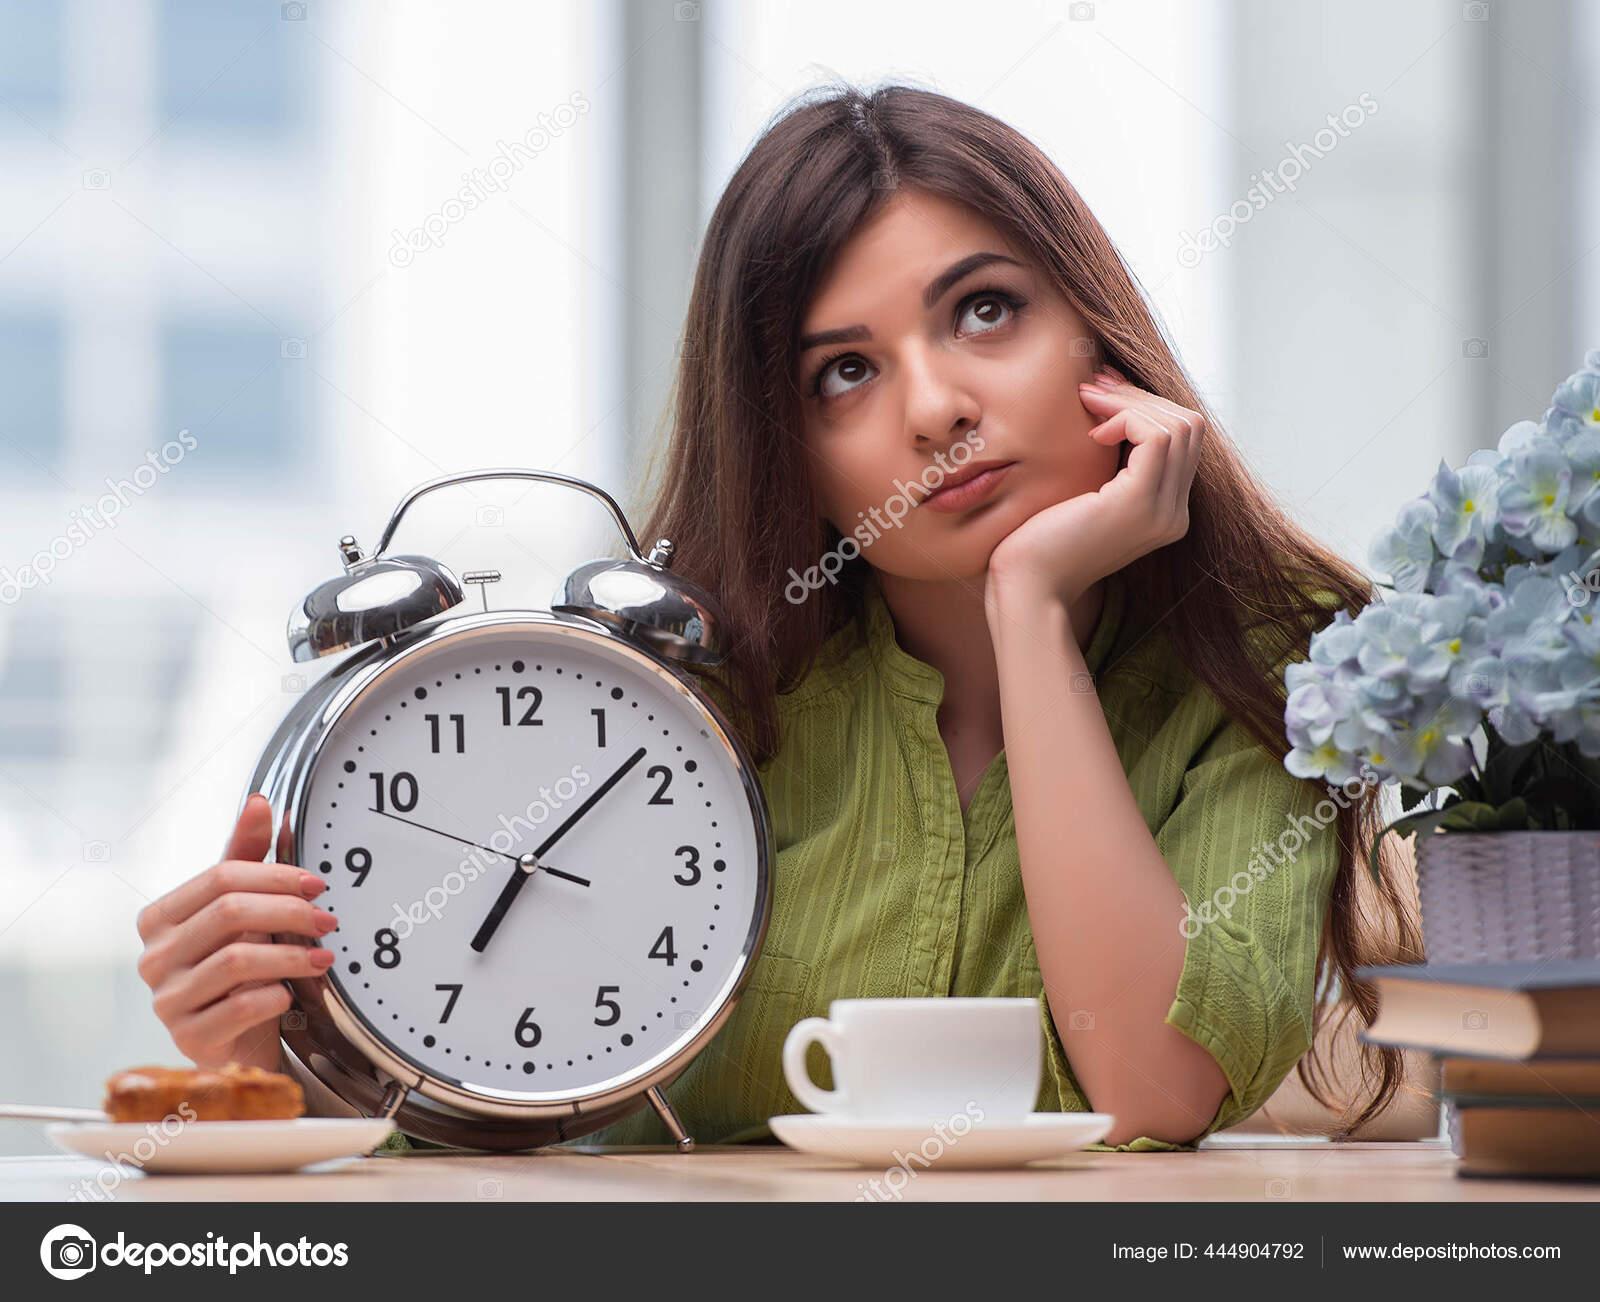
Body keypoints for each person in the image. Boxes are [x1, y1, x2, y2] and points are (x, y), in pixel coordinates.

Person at [136, 83, 1420, 1153]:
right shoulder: (666, 702)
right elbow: (491, 1106)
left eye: (986, 310)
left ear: (1097, 328)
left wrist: (1027, 613)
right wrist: (267, 1053)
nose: (934, 410)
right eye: (843, 372)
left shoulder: (1274, 657)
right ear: (786, 446)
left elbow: (1155, 1087)